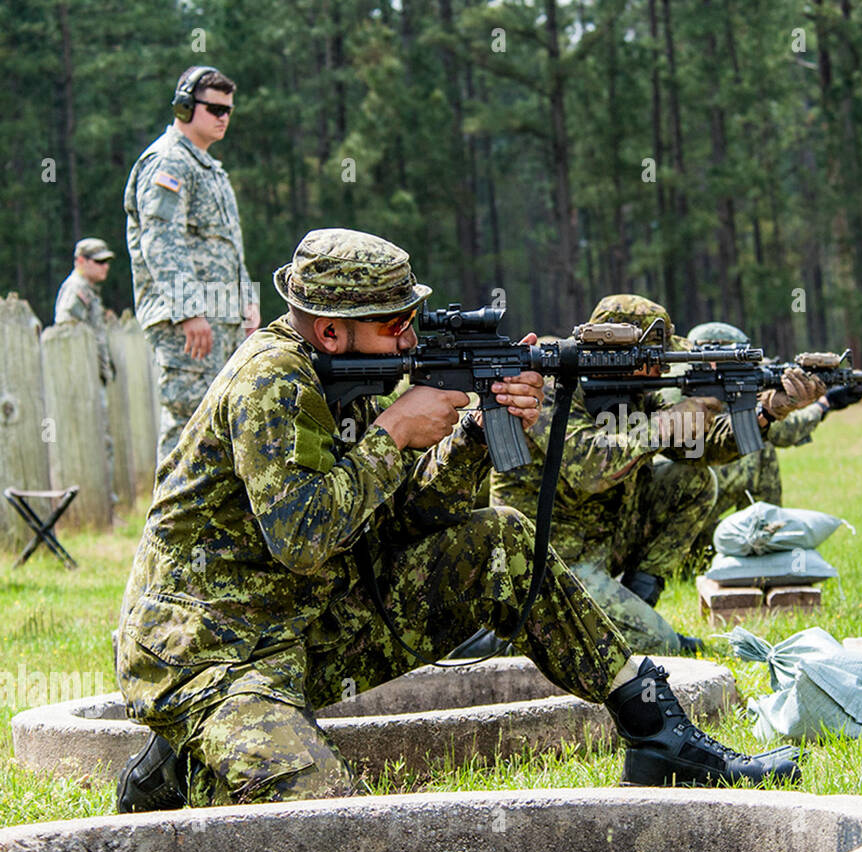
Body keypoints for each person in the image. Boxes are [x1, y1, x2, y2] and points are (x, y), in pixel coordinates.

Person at [113, 229, 798, 812]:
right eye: (394, 325)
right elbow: (302, 538)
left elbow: (408, 523)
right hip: (210, 651)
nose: (410, 336)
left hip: (302, 620)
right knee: (334, 824)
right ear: (329, 330)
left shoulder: (357, 378)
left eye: (413, 315)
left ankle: (658, 731)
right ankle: (186, 749)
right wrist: (394, 435)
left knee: (500, 540)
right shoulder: (274, 382)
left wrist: (472, 435)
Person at [489, 295, 824, 656]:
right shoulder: (548, 384)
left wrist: (767, 412)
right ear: (618, 354)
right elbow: (589, 465)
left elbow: (700, 448)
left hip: (600, 545)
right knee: (661, 645)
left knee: (693, 481)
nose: (662, 369)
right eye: (654, 357)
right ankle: (509, 636)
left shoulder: (632, 392)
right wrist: (673, 419)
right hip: (546, 562)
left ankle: (635, 603)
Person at [123, 65, 259, 464]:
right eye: (214, 108)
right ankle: (167, 527)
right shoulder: (168, 163)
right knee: (188, 428)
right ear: (184, 108)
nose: (223, 118)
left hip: (221, 319)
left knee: (222, 431)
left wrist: (247, 304)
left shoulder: (210, 169)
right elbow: (160, 239)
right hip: (190, 324)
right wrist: (188, 311)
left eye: (228, 110)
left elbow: (228, 248)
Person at [683, 321, 862, 567]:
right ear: (714, 356)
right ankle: (764, 538)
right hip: (688, 523)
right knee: (759, 448)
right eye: (738, 356)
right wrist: (824, 405)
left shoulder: (684, 384)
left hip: (680, 523)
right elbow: (785, 432)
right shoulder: (705, 392)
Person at [54, 237, 118, 504]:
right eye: (98, 261)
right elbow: (67, 331)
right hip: (83, 384)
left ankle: (105, 505)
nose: (105, 266)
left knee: (103, 442)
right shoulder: (76, 290)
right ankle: (101, 506)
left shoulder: (88, 291)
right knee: (97, 444)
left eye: (107, 261)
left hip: (92, 380)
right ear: (81, 261)